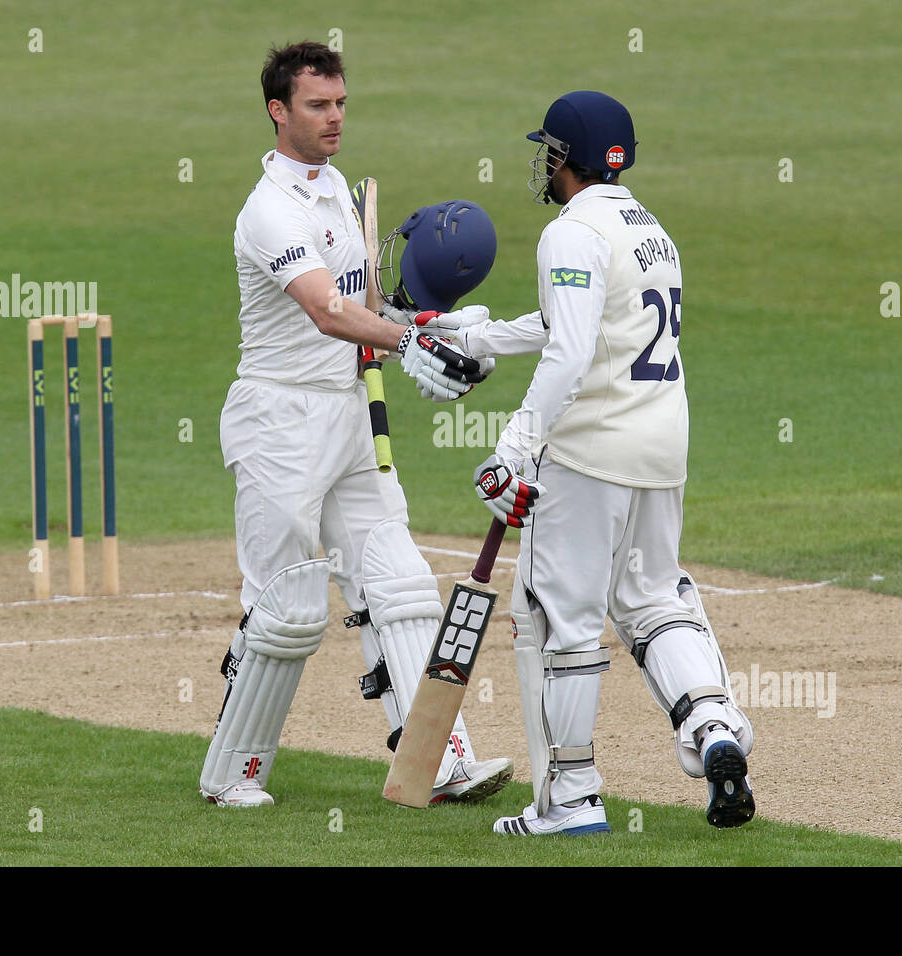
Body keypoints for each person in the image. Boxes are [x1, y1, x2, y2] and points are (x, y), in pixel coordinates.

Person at [199, 40, 512, 807]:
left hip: (343, 415)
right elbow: (327, 310)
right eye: (317, 105)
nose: (334, 117)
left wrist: (432, 325)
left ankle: (436, 759)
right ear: (279, 111)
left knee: (400, 580)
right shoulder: (269, 209)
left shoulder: (339, 189)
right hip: (278, 421)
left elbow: (366, 304)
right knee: (286, 605)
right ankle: (232, 773)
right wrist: (411, 343)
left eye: (340, 103)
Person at [454, 90, 756, 835]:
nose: (543, 164)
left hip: (591, 454)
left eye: (548, 151)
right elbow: (586, 323)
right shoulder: (647, 226)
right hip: (663, 446)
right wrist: (481, 336)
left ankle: (571, 799)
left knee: (561, 616)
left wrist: (513, 444)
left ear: (567, 159)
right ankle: (713, 728)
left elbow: (572, 348)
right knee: (653, 598)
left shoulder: (570, 232)